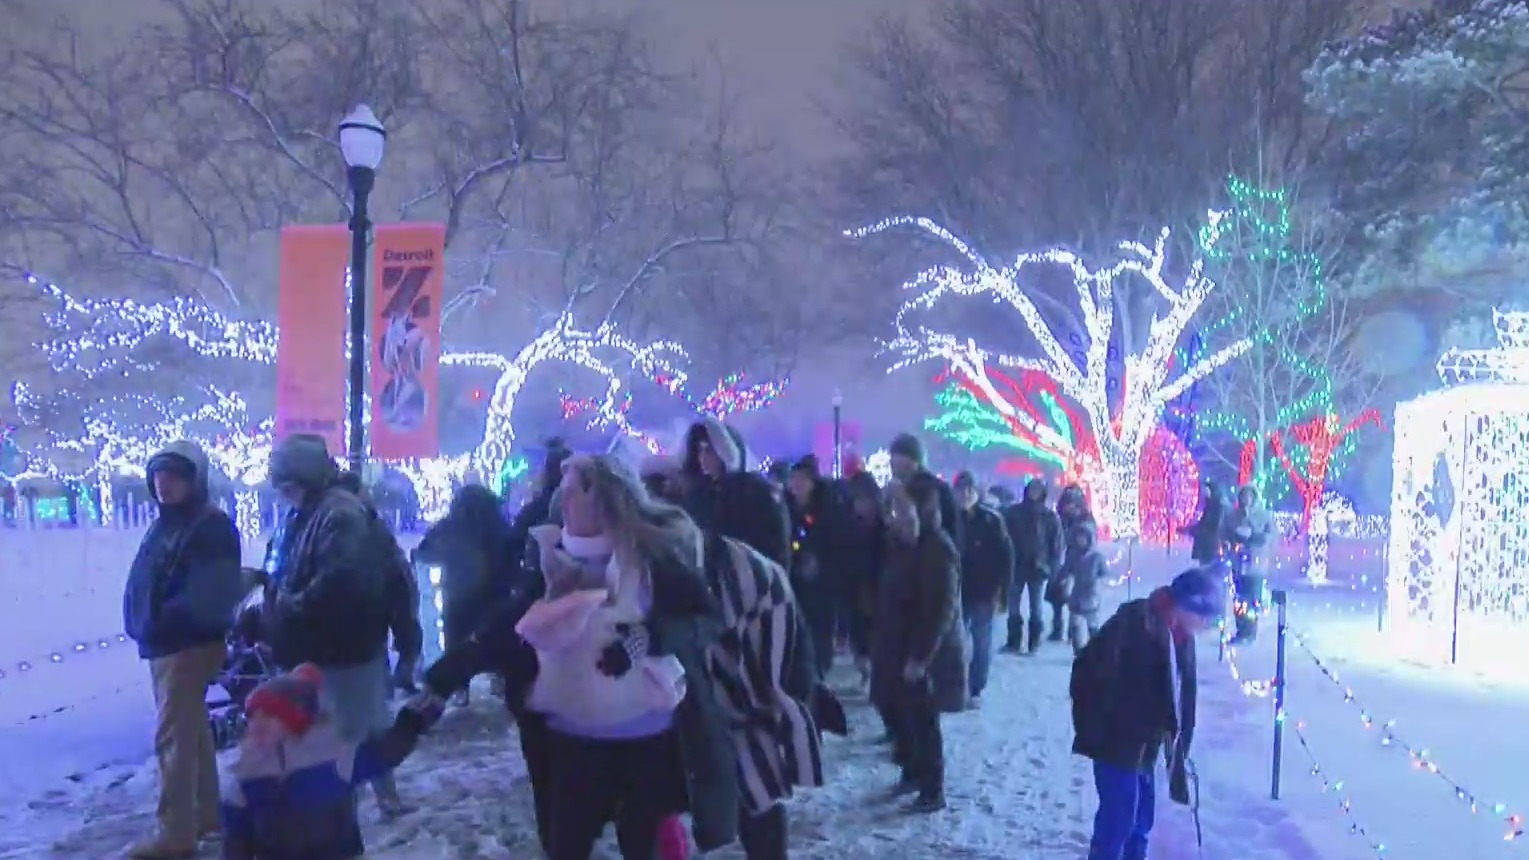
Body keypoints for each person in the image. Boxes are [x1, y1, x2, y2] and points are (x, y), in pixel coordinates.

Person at [424, 454, 740, 859]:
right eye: (563, 490)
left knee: (642, 844)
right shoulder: (553, 562)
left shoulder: (652, 558)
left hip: (646, 739)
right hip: (571, 743)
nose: (563, 500)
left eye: (574, 491)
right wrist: (450, 672)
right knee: (566, 846)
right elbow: (511, 625)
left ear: (606, 499)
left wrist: (649, 637)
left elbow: (703, 617)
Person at [261, 435, 399, 816]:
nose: (284, 493)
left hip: (342, 646)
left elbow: (341, 581)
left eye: (288, 484)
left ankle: (341, 819)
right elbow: (290, 567)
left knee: (346, 732)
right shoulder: (308, 512)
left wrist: (290, 606)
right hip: (333, 644)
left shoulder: (338, 514)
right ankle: (380, 799)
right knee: (360, 725)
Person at [122, 441, 245, 859]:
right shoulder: (168, 523)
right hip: (166, 644)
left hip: (186, 645)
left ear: (195, 480)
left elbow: (209, 592)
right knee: (190, 734)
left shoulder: (208, 526)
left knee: (172, 738)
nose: (164, 483)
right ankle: (207, 816)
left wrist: (162, 621)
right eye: (158, 475)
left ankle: (174, 833)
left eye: (174, 475)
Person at [1069, 568, 1222, 860]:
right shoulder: (1136, 622)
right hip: (1116, 742)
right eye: (1205, 617)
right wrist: (1099, 725)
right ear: (1186, 604)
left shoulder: (1181, 636)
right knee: (1118, 822)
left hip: (1144, 747)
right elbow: (1087, 670)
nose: (1207, 625)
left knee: (1140, 821)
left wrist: (1174, 738)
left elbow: (1180, 694)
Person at [220, 664, 442, 860]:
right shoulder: (245, 775)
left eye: (268, 716)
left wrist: (410, 725)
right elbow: (236, 837)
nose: (256, 724)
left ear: (295, 720)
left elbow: (383, 754)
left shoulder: (331, 758)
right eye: (251, 717)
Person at [873, 473, 965, 813]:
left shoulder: (937, 548)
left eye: (901, 507)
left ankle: (932, 788)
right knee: (902, 714)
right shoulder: (903, 543)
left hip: (924, 651)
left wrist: (921, 656)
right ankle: (912, 771)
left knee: (924, 721)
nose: (895, 514)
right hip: (897, 644)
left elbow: (941, 608)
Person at [414, 484, 517, 704]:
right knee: (498, 641)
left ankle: (460, 689)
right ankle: (501, 681)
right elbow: (512, 558)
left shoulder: (450, 526)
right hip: (495, 597)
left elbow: (426, 551)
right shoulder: (499, 526)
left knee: (457, 643)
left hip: (458, 597)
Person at [680, 417, 790, 567]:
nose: (702, 457)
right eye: (699, 450)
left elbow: (774, 547)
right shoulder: (697, 498)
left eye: (709, 449)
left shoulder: (754, 493)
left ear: (724, 450)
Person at [951, 470, 1013, 704]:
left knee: (981, 644)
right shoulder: (949, 519)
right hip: (956, 590)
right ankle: (958, 686)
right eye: (961, 490)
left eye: (970, 490)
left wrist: (1003, 591)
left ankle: (975, 687)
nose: (965, 495)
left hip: (984, 591)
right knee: (956, 644)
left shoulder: (991, 520)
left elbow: (1006, 558)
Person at [785, 455, 845, 679]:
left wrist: (819, 563)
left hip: (822, 589)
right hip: (795, 584)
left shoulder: (828, 509)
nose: (797, 485)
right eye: (794, 479)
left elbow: (838, 546)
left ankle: (819, 671)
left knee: (819, 634)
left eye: (802, 479)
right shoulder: (786, 508)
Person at [1000, 478, 1063, 654]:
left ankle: (1033, 641)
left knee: (1036, 607)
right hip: (1016, 566)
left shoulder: (1049, 517)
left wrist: (1053, 568)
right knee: (1013, 606)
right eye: (1032, 490)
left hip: (1038, 568)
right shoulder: (1014, 513)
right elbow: (1005, 538)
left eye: (1037, 490)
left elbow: (1056, 545)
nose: (1034, 493)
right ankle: (1013, 640)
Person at [841, 470, 886, 683]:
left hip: (880, 589)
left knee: (876, 636)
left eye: (864, 499)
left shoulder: (884, 527)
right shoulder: (850, 525)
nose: (861, 505)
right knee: (859, 636)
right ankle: (866, 670)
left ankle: (875, 673)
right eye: (857, 500)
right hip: (856, 589)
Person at [887, 432, 962, 550]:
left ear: (912, 461)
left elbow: (949, 530)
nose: (892, 463)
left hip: (929, 559)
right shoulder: (894, 489)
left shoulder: (932, 489)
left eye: (897, 457)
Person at [1224, 484, 1273, 645]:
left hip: (1255, 566)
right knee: (1239, 597)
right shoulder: (1233, 516)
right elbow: (1224, 533)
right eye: (1243, 497)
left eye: (1249, 496)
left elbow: (1270, 537)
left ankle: (1250, 631)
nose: (1246, 500)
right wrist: (1231, 540)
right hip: (1238, 564)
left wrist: (1255, 537)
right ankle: (1240, 629)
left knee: (1252, 598)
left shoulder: (1264, 516)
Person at [1049, 485, 1096, 643]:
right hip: (1061, 560)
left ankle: (1073, 631)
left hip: (1077, 562)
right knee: (1058, 595)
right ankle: (1058, 628)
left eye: (1073, 505)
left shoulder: (1084, 521)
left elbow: (1088, 542)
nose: (1070, 508)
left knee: (1076, 598)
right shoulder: (1059, 519)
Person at [1060, 521, 1108, 655]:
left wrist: (1100, 583)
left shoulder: (1097, 557)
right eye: (1078, 538)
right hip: (1076, 593)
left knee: (1092, 624)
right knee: (1075, 623)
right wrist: (1064, 580)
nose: (1080, 540)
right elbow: (1067, 570)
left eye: (1083, 538)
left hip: (1091, 594)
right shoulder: (1073, 555)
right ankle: (1078, 651)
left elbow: (1104, 573)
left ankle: (1096, 650)